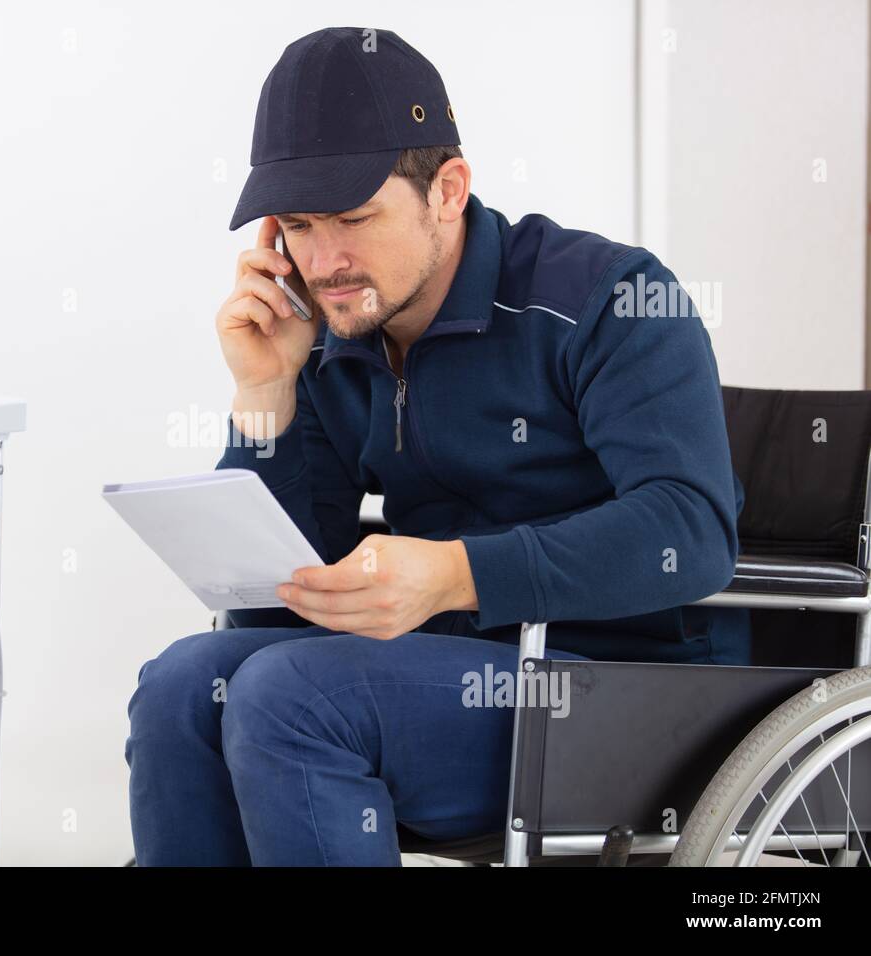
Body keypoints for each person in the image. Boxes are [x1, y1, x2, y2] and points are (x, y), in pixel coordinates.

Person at [125, 26, 749, 866]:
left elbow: (690, 532)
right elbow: (269, 609)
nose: (324, 260)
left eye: (354, 217)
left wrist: (457, 574)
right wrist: (264, 396)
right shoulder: (331, 338)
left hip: (617, 687)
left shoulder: (612, 299)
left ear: (448, 189)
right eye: (300, 226)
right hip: (431, 672)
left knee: (286, 696)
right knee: (178, 688)